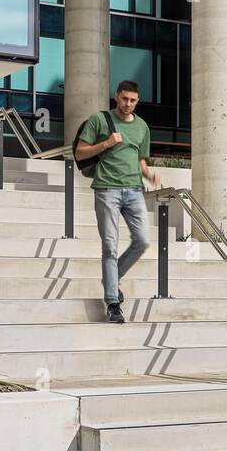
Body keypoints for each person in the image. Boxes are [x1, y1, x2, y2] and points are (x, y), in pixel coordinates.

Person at [74, 80, 161, 323]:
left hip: (134, 189)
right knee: (109, 247)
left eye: (132, 100)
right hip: (106, 190)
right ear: (116, 96)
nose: (128, 104)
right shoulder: (99, 120)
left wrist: (149, 174)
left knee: (142, 241)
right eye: (124, 99)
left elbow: (140, 159)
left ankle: (111, 277)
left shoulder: (142, 126)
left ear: (137, 101)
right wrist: (106, 143)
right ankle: (113, 302)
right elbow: (80, 152)